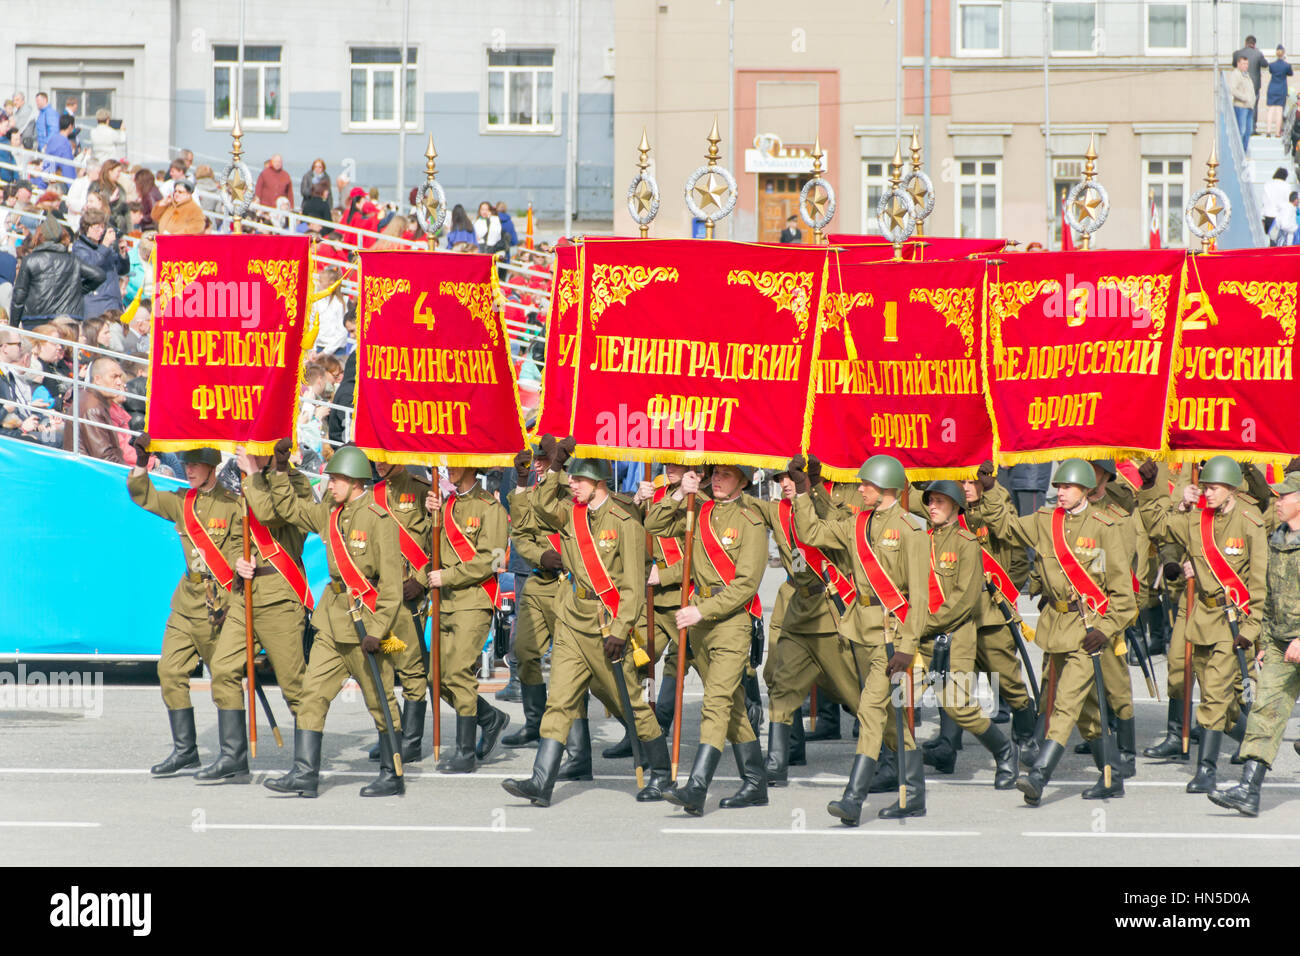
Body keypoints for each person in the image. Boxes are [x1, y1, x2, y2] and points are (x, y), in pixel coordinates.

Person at [502, 456, 671, 807]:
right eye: (572, 478)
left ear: (600, 483)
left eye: (579, 479)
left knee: (632, 704)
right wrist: (555, 467)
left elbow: (633, 587)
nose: (573, 484)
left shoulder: (625, 521)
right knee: (559, 700)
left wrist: (621, 630)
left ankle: (659, 773)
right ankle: (541, 780)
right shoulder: (572, 513)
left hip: (606, 623)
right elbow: (543, 505)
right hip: (571, 620)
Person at [968, 458, 1137, 806]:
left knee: (1065, 703)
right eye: (1058, 487)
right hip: (1055, 628)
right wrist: (990, 490)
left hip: (1088, 630)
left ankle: (1039, 776)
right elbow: (1007, 528)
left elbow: (1124, 595)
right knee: (1089, 715)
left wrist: (1105, 630)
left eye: (1068, 487)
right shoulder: (1046, 521)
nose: (1060, 493)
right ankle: (1112, 775)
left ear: (1087, 490)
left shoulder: (1105, 526)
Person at [784, 455, 930, 824]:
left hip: (891, 637)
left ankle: (853, 798)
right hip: (859, 630)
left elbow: (920, 599)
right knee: (886, 718)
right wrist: (803, 490)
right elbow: (811, 534)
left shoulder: (912, 531)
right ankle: (913, 792)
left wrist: (907, 647)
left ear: (884, 488)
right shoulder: (855, 524)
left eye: (866, 484)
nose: (859, 489)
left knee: (870, 710)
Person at [262, 442, 408, 798]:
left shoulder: (380, 521)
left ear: (357, 481)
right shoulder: (330, 514)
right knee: (311, 695)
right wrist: (281, 471)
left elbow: (391, 585)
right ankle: (304, 773)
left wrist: (378, 630)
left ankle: (392, 773)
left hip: (366, 623)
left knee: (379, 699)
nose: (330, 486)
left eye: (337, 480)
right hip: (332, 621)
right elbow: (289, 509)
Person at [646, 460, 770, 816]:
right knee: (730, 708)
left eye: (726, 475)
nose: (716, 479)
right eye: (714, 473)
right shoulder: (697, 508)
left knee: (715, 702)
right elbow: (654, 524)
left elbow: (746, 584)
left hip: (730, 621)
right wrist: (679, 492)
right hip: (699, 621)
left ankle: (697, 787)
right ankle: (755, 782)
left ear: (743, 482)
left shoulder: (751, 522)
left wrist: (702, 610)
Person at [1137, 456, 1266, 793]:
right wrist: (1155, 491)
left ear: (1231, 489)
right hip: (1200, 617)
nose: (1207, 493)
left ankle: (1206, 770)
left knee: (1214, 698)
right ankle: (1255, 737)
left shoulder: (1250, 523)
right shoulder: (1195, 520)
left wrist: (1251, 632)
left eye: (1214, 488)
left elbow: (1259, 585)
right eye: (1205, 487)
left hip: (1232, 623)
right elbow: (1156, 526)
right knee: (1216, 699)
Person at [128, 444, 244, 776]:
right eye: (186, 464)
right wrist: (139, 460)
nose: (188, 469)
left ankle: (233, 757)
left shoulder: (234, 505)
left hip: (219, 605)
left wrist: (231, 604)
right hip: (186, 602)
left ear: (212, 467)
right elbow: (143, 495)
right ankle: (185, 751)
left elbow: (241, 559)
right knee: (169, 671)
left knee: (224, 677)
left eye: (195, 464)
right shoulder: (182, 501)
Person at [751, 457, 861, 787]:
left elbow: (827, 523)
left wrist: (807, 488)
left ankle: (893, 754)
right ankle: (779, 761)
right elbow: (738, 504)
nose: (785, 483)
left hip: (830, 612)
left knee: (855, 692)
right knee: (782, 685)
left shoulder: (824, 505)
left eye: (791, 478)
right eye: (781, 478)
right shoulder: (777, 510)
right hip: (800, 611)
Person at [1210, 471, 1300, 815]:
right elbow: (1266, 592)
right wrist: (1263, 638)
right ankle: (1249, 789)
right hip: (1279, 642)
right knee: (1264, 713)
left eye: (1284, 497)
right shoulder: (1276, 537)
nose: (1277, 502)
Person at [422, 462, 511, 773]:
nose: (449, 469)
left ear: (471, 467)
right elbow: (429, 548)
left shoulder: (490, 508)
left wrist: (449, 576)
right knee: (436, 678)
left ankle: (464, 752)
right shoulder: (446, 504)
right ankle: (490, 718)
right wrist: (429, 514)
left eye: (456, 464)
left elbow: (495, 559)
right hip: (445, 603)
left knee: (458, 672)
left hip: (473, 601)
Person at [368, 460, 432, 764]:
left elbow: (439, 541)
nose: (379, 464)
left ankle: (412, 741)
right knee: (383, 665)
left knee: (411, 667)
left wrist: (421, 581)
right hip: (382, 595)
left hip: (409, 594)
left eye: (385, 457)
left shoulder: (422, 491)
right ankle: (392, 733)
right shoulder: (372, 494)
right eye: (375, 458)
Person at [10, 216, 105, 327]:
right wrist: (78, 291)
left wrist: (13, 325)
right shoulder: (72, 260)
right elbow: (99, 275)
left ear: (39, 237)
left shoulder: (30, 260)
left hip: (35, 320)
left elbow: (19, 295)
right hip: (67, 321)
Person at [62, 356, 124, 462]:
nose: (119, 382)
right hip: (88, 473)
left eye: (120, 377)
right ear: (97, 379)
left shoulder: (91, 398)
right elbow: (105, 458)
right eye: (114, 377)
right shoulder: (93, 409)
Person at [72, 208, 129, 318]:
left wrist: (122, 254)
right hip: (95, 303)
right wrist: (105, 244)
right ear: (86, 228)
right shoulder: (79, 247)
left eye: (103, 226)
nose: (101, 230)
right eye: (97, 227)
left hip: (113, 302)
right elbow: (91, 267)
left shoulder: (105, 247)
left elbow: (123, 270)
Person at [1234, 35, 1269, 125]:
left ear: (1245, 43)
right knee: (1253, 105)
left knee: (1240, 104)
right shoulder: (1258, 53)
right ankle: (1252, 127)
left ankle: (1242, 125)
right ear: (1254, 44)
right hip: (1255, 84)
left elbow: (1234, 64)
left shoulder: (1238, 53)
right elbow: (1265, 64)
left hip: (1241, 84)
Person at [1230, 56, 1258, 152]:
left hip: (1249, 107)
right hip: (1241, 106)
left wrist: (1252, 100)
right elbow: (1233, 89)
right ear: (1238, 64)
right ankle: (1239, 151)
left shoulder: (1246, 75)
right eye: (1243, 64)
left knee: (1248, 131)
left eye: (1247, 64)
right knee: (1241, 130)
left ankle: (1244, 150)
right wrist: (1244, 98)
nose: (1246, 66)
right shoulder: (1236, 74)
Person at [41, 114, 76, 186]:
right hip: (57, 181)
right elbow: (68, 168)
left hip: (47, 177)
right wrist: (71, 186)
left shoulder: (53, 139)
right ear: (70, 126)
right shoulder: (65, 143)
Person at [1265, 46, 1293, 137]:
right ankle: (1277, 132)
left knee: (1271, 110)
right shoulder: (1286, 66)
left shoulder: (1272, 65)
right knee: (1279, 111)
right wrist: (1286, 60)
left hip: (1272, 88)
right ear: (1283, 53)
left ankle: (1268, 131)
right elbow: (1290, 73)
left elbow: (1271, 71)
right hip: (1281, 89)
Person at [1261, 167, 1292, 236]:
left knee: (1271, 238)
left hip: (1268, 215)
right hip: (1280, 217)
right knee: (1280, 240)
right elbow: (1289, 203)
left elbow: (1263, 201)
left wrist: (1263, 215)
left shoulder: (1267, 184)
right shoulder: (1287, 186)